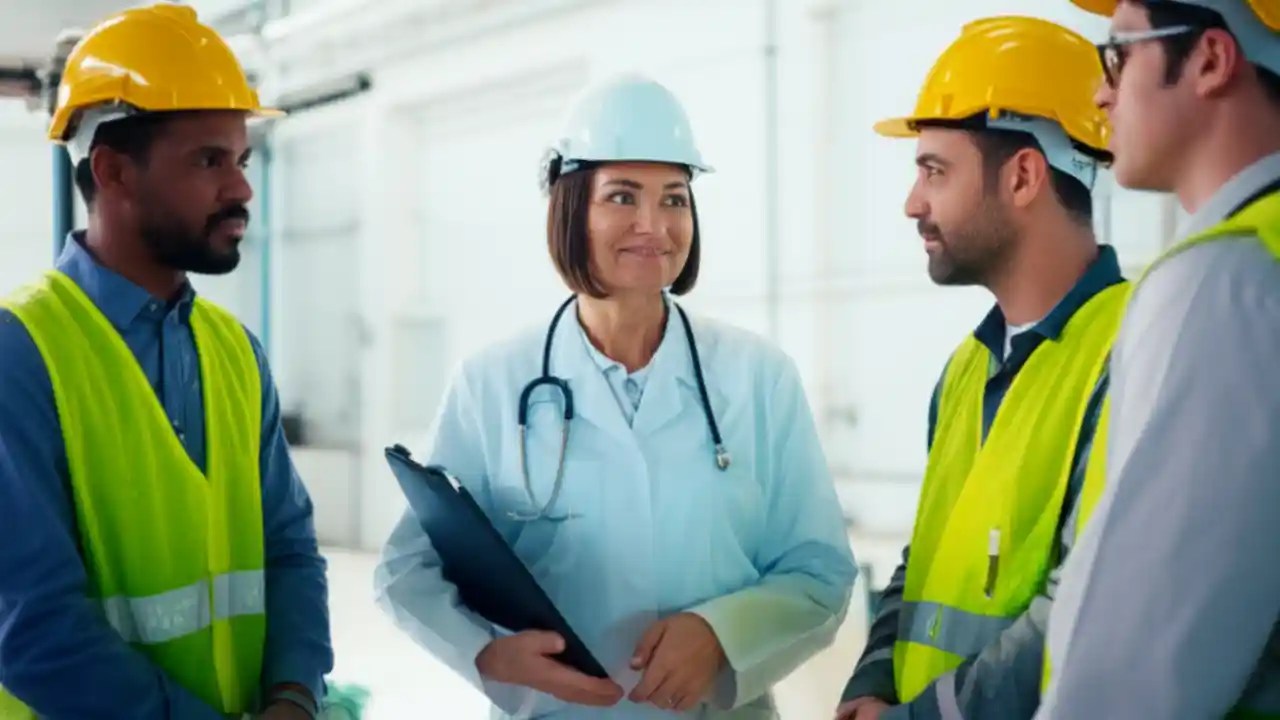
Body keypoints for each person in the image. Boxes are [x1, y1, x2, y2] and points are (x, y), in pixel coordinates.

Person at [375, 73, 857, 719]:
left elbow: (820, 571)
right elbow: (407, 566)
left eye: (674, 198)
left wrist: (723, 635)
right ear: (570, 208)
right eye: (622, 196)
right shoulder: (491, 383)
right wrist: (485, 653)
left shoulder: (759, 377)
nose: (653, 225)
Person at [0, 5, 333, 719]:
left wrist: (295, 696)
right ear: (114, 171)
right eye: (209, 160)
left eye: (241, 160)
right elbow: (32, 624)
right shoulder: (18, 355)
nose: (241, 188)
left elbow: (290, 552)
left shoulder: (235, 351)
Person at [836, 16, 1127, 720]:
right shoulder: (967, 367)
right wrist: (872, 683)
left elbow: (1084, 607)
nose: (913, 203)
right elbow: (927, 560)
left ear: (1023, 176)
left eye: (935, 170)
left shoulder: (1132, 352)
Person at [1036, 1, 1280, 717]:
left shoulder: (1223, 280)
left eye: (1118, 55)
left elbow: (1133, 672)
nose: (1100, 94)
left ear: (1211, 60)